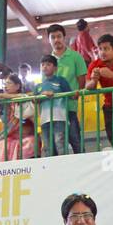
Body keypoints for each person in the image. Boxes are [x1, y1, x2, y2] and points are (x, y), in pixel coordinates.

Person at [46, 24, 89, 154]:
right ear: (49, 40)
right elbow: (45, 83)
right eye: (52, 37)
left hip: (70, 108)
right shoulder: (47, 61)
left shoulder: (76, 57)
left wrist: (75, 94)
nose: (56, 40)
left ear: (64, 37)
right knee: (53, 148)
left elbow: (82, 80)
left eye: (59, 36)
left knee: (76, 143)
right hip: (52, 111)